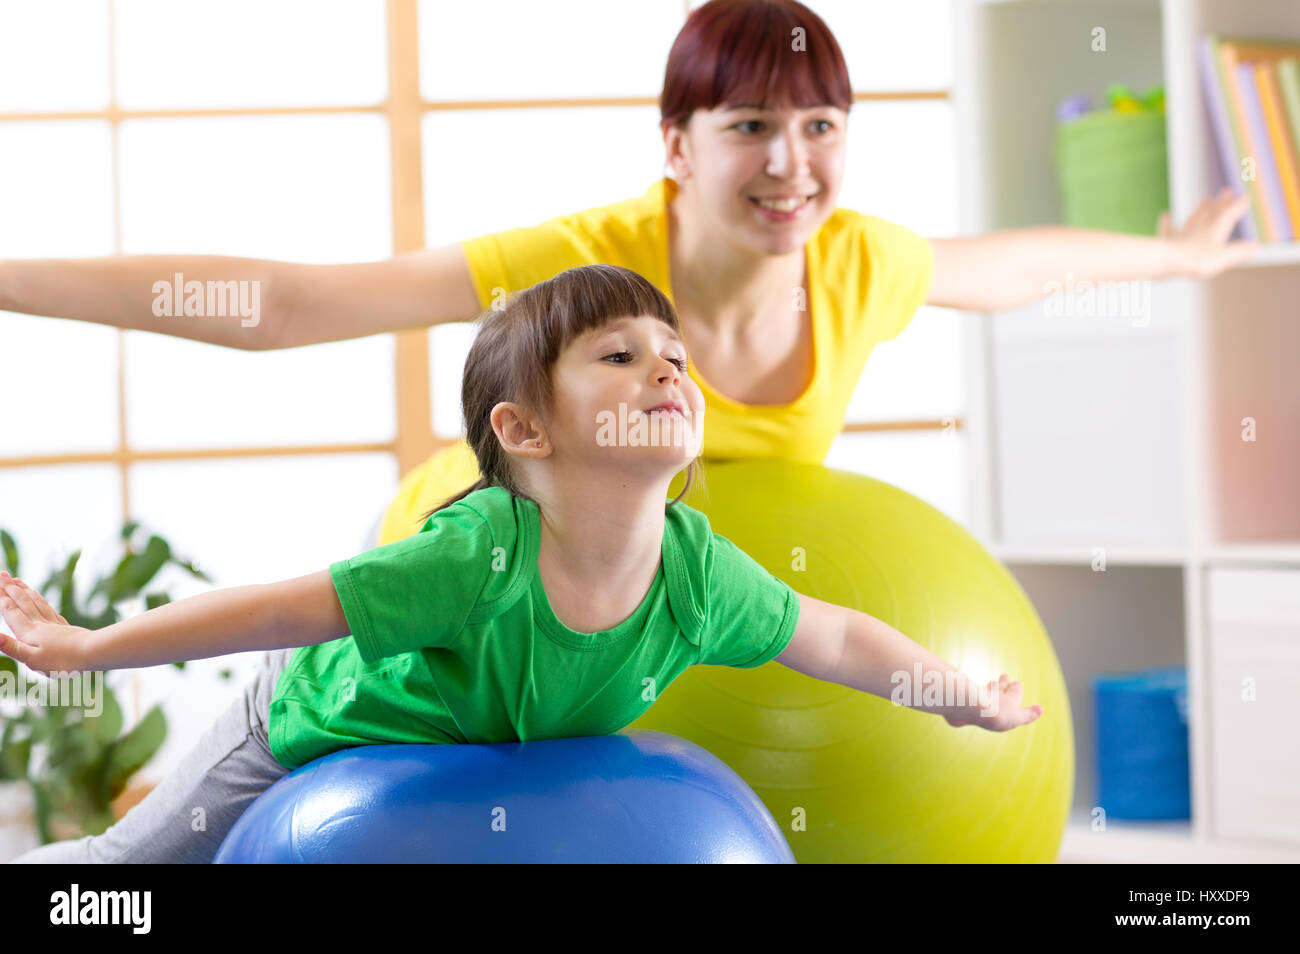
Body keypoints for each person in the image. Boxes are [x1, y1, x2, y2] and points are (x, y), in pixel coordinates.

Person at [0, 0, 1257, 548]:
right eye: (749, 126)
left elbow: (1020, 264)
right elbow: (293, 305)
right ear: (675, 144)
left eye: (820, 126)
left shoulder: (858, 262)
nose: (791, 165)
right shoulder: (593, 259)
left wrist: (1182, 259)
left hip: (661, 597)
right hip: (498, 564)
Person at [1, 264, 1041, 864]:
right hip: (313, 718)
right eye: (619, 357)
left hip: (484, 767)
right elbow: (284, 614)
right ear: (526, 430)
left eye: (674, 357)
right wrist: (87, 645)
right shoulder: (477, 554)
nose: (666, 372)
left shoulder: (696, 572)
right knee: (128, 875)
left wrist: (950, 694)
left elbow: (834, 633)